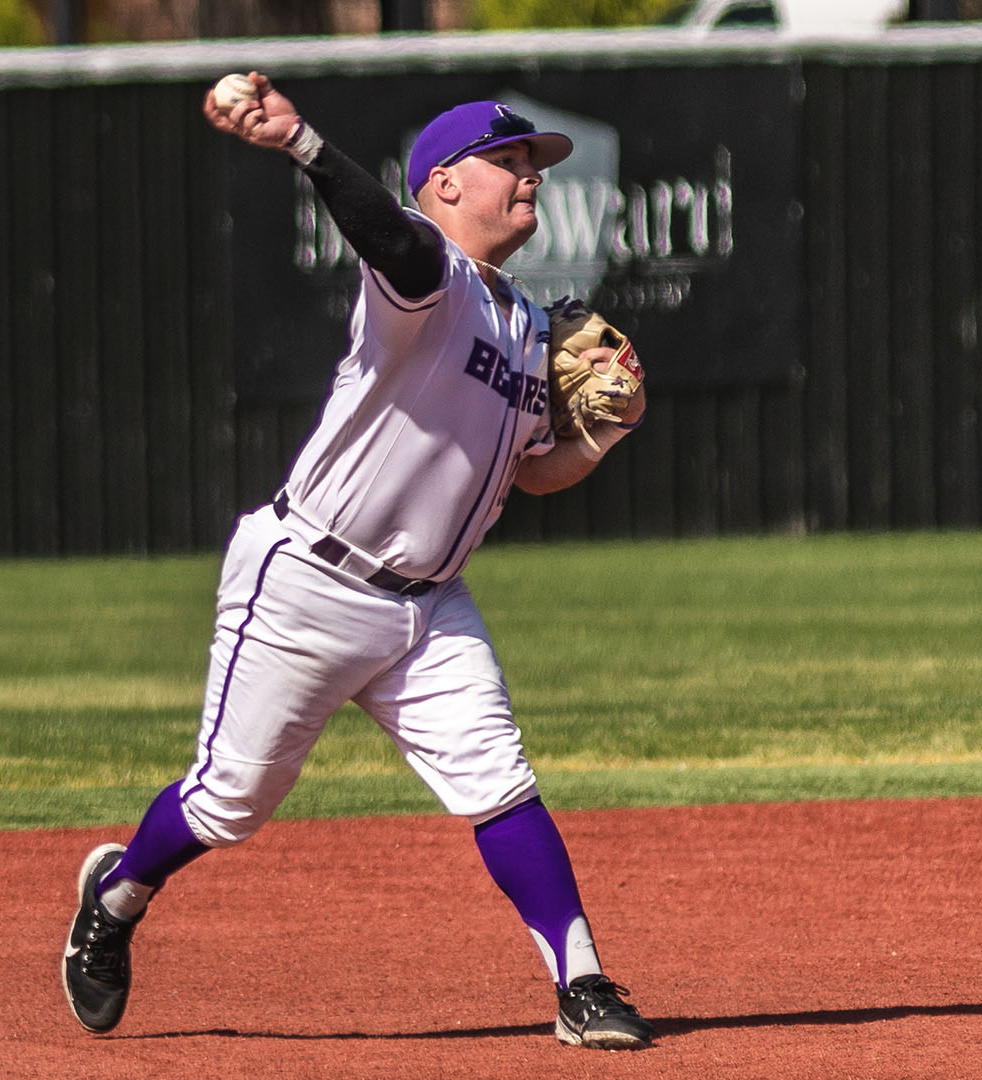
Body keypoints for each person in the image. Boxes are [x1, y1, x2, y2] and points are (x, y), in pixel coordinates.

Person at [62, 72, 653, 1051]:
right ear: (445, 183)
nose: (530, 182)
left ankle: (581, 983)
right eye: (508, 164)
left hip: (431, 606)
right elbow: (386, 234)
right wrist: (302, 144)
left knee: (500, 783)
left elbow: (530, 475)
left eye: (533, 167)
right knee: (228, 804)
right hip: (308, 583)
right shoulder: (431, 282)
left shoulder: (526, 328)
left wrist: (598, 440)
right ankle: (118, 897)